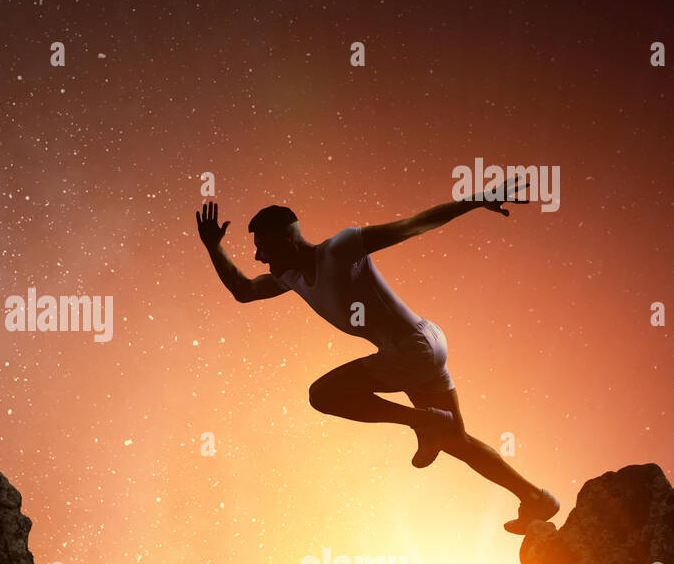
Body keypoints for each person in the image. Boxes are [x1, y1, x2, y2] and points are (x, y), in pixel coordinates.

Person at [195, 183, 558, 535]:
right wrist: (213, 246)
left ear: (286, 240)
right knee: (456, 440)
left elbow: (415, 224)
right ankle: (535, 498)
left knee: (322, 394)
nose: (259, 258)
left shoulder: (340, 249)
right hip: (420, 347)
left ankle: (421, 421)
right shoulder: (290, 277)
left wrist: (477, 200)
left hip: (412, 348)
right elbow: (243, 290)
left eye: (263, 248)